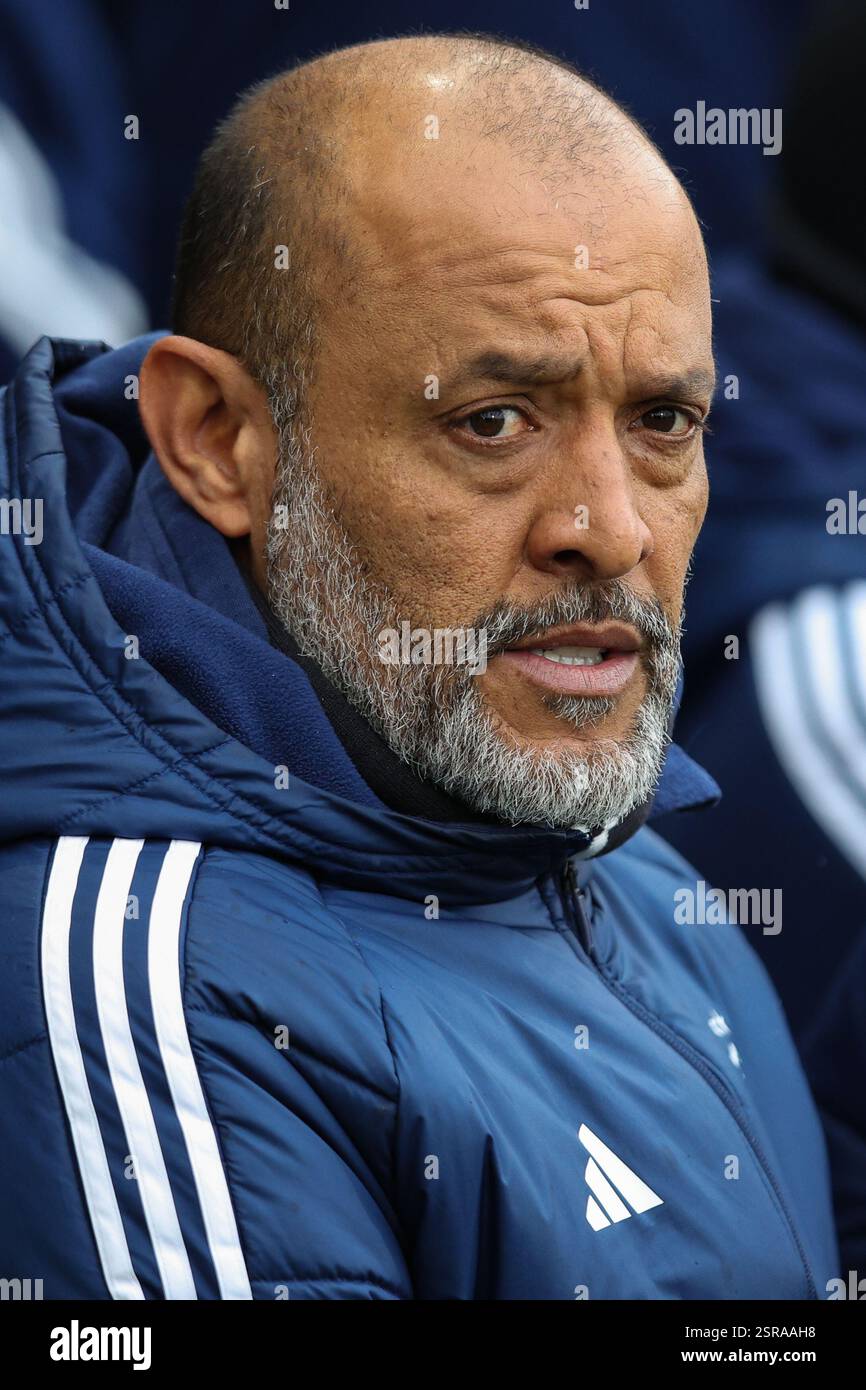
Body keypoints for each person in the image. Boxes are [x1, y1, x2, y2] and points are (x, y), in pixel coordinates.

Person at [0, 33, 838, 1300]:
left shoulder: (636, 871)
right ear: (217, 440)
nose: (607, 529)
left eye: (663, 420)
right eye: (490, 422)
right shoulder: (138, 998)